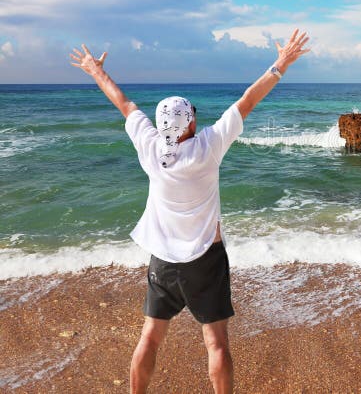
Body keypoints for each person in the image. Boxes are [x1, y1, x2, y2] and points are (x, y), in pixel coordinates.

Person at [69, 29, 310, 394]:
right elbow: (247, 100)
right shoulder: (209, 146)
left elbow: (124, 104)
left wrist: (94, 70)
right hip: (206, 260)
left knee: (150, 338)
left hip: (163, 261)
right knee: (216, 343)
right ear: (191, 122)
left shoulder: (151, 148)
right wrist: (281, 64)